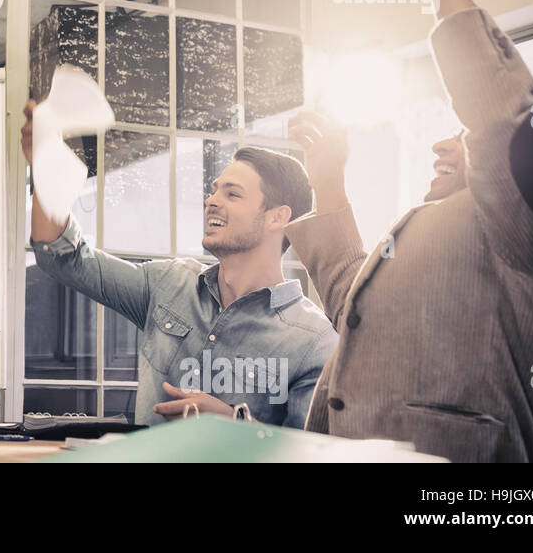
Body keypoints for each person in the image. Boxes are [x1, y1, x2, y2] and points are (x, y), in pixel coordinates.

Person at [285, 0, 533, 462]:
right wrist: (327, 179)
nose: (445, 147)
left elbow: (502, 116)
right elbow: (354, 304)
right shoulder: (448, 233)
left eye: (466, 138)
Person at [21, 112, 337, 427]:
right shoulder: (168, 284)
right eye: (214, 190)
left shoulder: (315, 342)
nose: (211, 200)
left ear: (277, 217)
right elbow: (65, 258)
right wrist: (47, 171)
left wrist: (232, 423)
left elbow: (307, 452)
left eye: (232, 194)